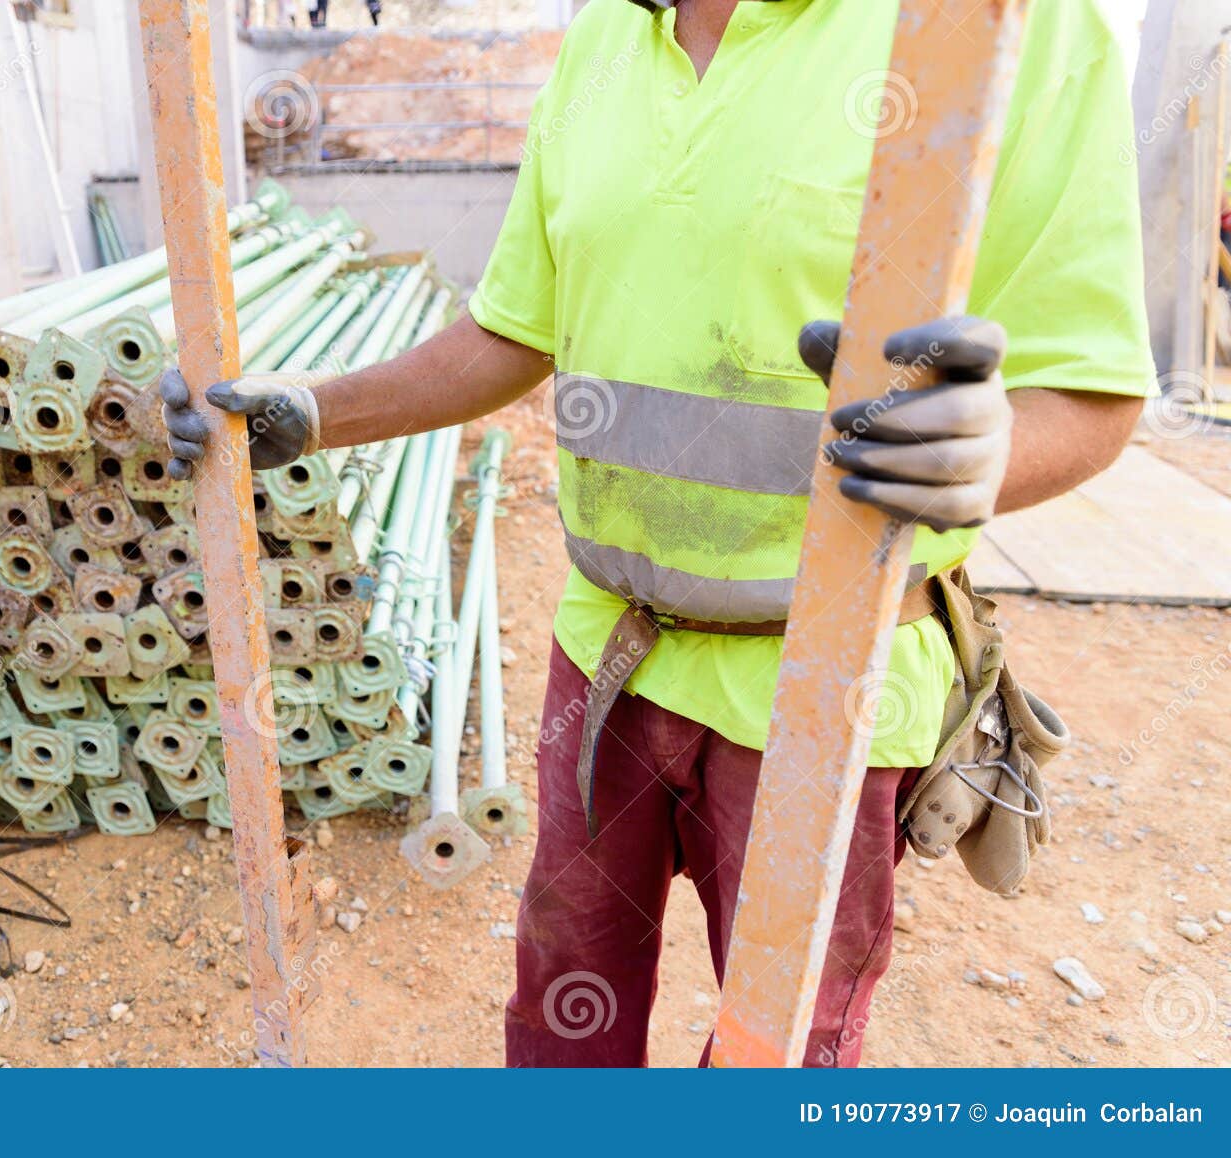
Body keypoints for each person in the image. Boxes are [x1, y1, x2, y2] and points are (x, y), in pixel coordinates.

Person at [162, 0, 1154, 1066]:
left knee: (779, 1058)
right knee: (563, 1018)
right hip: (607, 657)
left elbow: (1089, 389)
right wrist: (319, 411)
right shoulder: (605, 38)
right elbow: (515, 328)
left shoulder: (995, 28)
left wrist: (984, 452)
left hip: (823, 682)